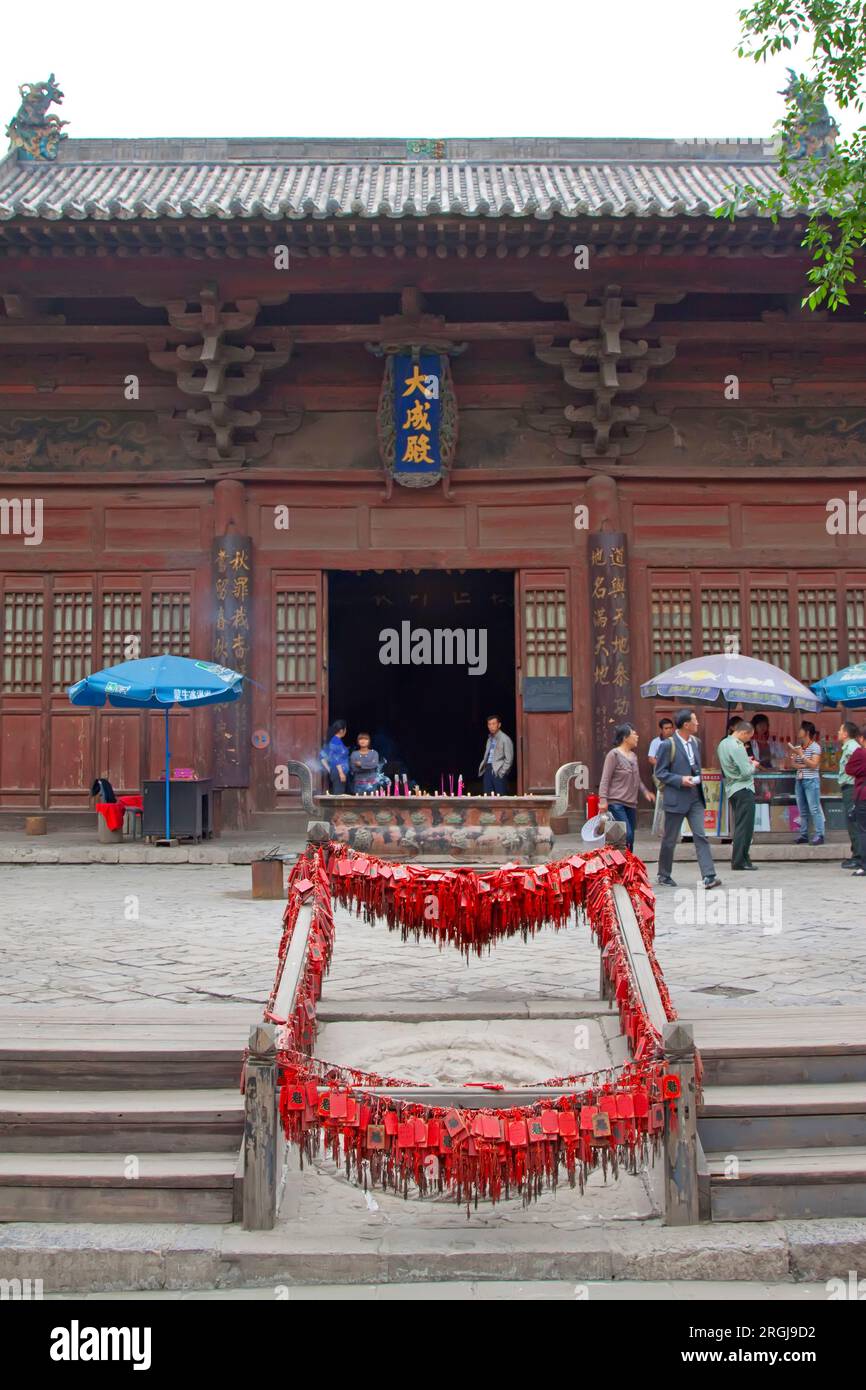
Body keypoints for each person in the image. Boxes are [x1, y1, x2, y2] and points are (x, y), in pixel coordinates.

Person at [654, 708, 722, 889]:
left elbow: (695, 766)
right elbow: (660, 773)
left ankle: (709, 875)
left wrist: (697, 777)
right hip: (676, 797)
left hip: (695, 797)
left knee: (701, 835)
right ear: (686, 724)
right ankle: (664, 874)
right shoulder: (668, 745)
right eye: (695, 720)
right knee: (670, 838)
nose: (698, 723)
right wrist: (680, 779)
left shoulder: (695, 742)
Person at [598, 723, 655, 852]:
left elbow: (637, 778)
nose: (637, 736)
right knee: (626, 835)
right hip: (616, 803)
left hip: (631, 803)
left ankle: (628, 867)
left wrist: (645, 791)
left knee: (630, 838)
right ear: (625, 737)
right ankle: (619, 865)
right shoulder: (614, 755)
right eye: (634, 734)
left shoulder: (633, 756)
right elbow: (605, 779)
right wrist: (603, 800)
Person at [717, 719, 760, 871]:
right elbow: (746, 772)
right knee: (745, 827)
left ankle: (743, 858)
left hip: (731, 788)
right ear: (743, 732)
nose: (749, 740)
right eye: (749, 737)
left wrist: (745, 761)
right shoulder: (737, 746)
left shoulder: (723, 744)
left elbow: (731, 763)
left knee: (741, 825)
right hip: (744, 788)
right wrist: (753, 765)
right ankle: (739, 860)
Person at [788, 720, 825, 845]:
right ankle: (804, 834)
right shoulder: (799, 747)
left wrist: (801, 756)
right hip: (799, 780)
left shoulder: (815, 747)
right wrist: (796, 758)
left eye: (801, 729)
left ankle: (819, 834)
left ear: (807, 732)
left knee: (814, 808)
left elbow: (814, 765)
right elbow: (793, 764)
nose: (799, 732)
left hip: (811, 780)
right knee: (802, 809)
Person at [837, 720, 862, 870]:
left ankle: (858, 857)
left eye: (840, 730)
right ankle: (856, 854)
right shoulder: (848, 747)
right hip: (849, 787)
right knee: (851, 822)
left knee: (854, 823)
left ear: (846, 733)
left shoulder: (853, 748)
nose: (838, 733)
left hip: (852, 788)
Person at [647, 717, 673, 836]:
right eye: (666, 728)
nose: (669, 730)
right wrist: (662, 765)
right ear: (661, 730)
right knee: (663, 800)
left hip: (674, 774)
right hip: (661, 775)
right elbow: (651, 758)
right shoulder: (656, 742)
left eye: (670, 728)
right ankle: (662, 829)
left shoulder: (675, 741)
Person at [845, 734, 866, 877]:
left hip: (863, 796)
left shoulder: (860, 753)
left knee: (863, 831)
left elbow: (849, 769)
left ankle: (864, 866)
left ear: (862, 738)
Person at [478, 714, 514, 794]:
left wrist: (502, 772)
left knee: (500, 798)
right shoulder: (489, 739)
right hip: (488, 769)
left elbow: (509, 759)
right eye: (489, 724)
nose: (491, 726)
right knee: (487, 796)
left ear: (499, 725)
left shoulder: (505, 739)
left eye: (493, 724)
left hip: (498, 770)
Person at [319, 719, 349, 794]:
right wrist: (341, 773)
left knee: (339, 794)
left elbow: (322, 757)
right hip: (339, 773)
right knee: (339, 796)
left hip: (336, 772)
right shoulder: (336, 741)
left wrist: (330, 769)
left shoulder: (333, 740)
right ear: (342, 730)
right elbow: (336, 758)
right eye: (346, 729)